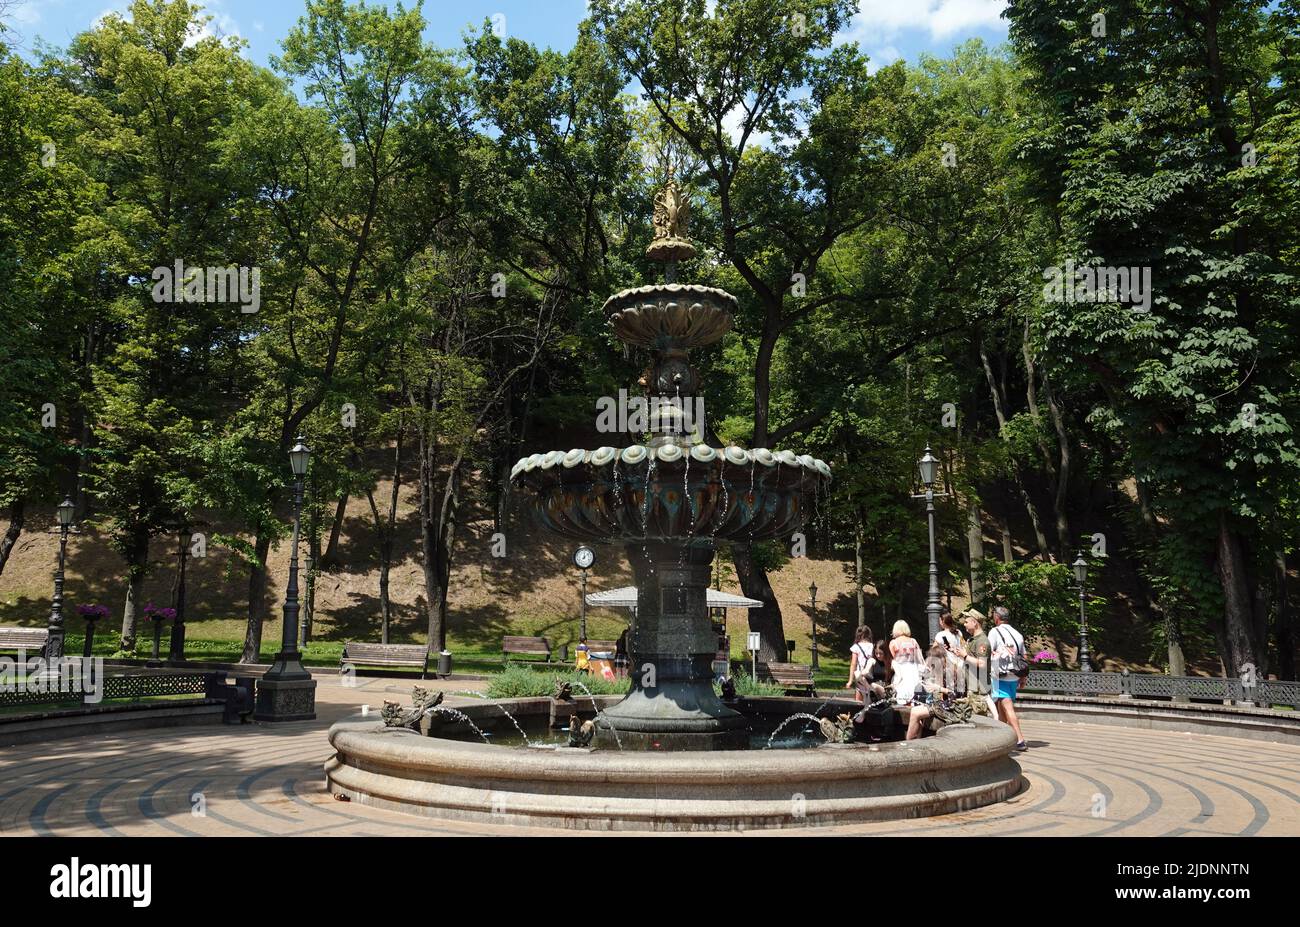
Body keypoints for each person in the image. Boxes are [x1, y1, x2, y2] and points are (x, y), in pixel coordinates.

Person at [989, 605, 1028, 750]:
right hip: (1015, 675)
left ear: (997, 618)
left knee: (1008, 708)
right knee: (1002, 707)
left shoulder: (994, 632)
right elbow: (1024, 656)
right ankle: (1002, 737)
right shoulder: (1017, 634)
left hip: (1001, 675)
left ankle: (1020, 739)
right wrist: (1023, 677)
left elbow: (988, 651)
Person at [957, 608, 993, 714]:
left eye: (966, 622)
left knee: (979, 723)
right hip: (973, 687)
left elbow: (982, 664)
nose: (964, 624)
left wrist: (964, 656)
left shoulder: (982, 641)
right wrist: (958, 652)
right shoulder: (973, 639)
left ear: (974, 623)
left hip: (979, 689)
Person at [888, 620, 923, 704]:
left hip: (901, 671)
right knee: (914, 697)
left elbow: (890, 662)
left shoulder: (894, 643)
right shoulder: (913, 641)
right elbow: (920, 658)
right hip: (913, 670)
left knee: (901, 697)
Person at [934, 611, 966, 696]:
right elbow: (964, 645)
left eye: (940, 620)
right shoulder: (958, 632)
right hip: (960, 662)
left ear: (942, 621)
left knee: (950, 688)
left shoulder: (940, 635)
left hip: (948, 664)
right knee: (960, 687)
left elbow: (933, 650)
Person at [846, 625, 875, 703]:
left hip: (860, 676)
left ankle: (860, 714)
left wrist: (850, 681)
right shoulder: (872, 646)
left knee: (858, 702)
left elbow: (853, 664)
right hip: (870, 676)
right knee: (870, 702)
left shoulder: (856, 647)